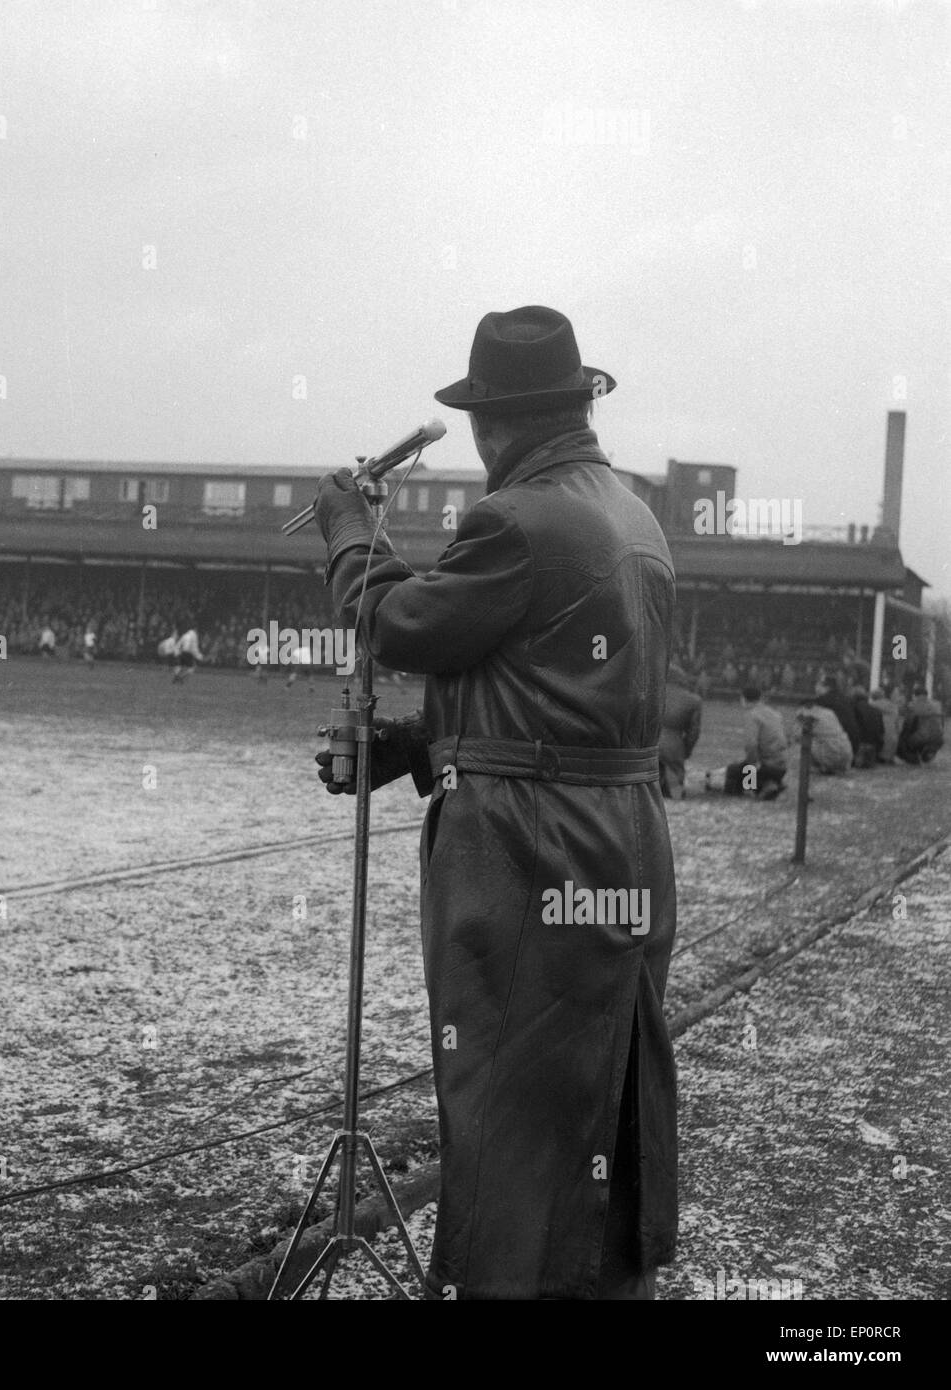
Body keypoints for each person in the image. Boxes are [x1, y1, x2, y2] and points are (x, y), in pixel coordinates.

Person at [312, 305, 677, 1300]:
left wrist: (351, 530)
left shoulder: (517, 520)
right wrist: (416, 748)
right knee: (600, 1093)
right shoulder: (631, 513)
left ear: (495, 422)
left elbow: (396, 624)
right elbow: (555, 695)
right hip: (625, 848)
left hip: (529, 857)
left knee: (505, 1107)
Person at [723, 686, 788, 799]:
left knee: (733, 771)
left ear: (743, 699)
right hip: (781, 764)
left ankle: (757, 787)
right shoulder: (775, 713)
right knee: (747, 766)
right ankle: (772, 782)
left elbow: (751, 744)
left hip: (766, 764)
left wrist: (753, 762)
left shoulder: (752, 715)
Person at [659, 661, 702, 798]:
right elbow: (693, 733)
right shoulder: (693, 700)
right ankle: (671, 784)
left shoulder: (650, 693)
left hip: (648, 743)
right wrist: (686, 750)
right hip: (674, 745)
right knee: (675, 787)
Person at [792, 698, 851, 774]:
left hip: (830, 754)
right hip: (846, 754)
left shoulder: (805, 713)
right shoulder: (829, 712)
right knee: (823, 738)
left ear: (804, 706)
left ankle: (819, 767)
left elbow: (797, 735)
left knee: (803, 741)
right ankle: (832, 767)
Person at [896, 687, 944, 765]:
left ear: (915, 695)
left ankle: (913, 758)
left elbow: (907, 723)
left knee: (902, 741)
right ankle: (928, 753)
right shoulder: (937, 705)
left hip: (922, 737)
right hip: (939, 738)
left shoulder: (912, 705)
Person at [870, 686, 901, 764]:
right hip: (893, 746)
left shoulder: (871, 706)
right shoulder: (894, 707)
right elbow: (898, 728)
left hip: (880, 745)